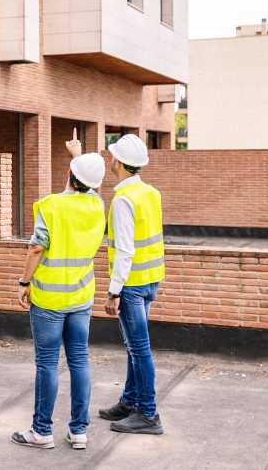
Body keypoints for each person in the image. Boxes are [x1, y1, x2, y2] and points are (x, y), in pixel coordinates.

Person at [12, 130, 106, 452]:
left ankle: (42, 431)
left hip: (49, 300)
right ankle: (79, 432)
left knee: (48, 364)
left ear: (68, 174)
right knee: (80, 361)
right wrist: (77, 156)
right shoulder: (97, 206)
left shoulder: (50, 206)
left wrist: (24, 283)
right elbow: (87, 185)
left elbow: (37, 249)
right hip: (81, 298)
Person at [99, 133, 166, 435]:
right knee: (134, 346)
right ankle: (130, 401)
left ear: (120, 163)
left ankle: (148, 414)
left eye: (113, 157)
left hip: (132, 285)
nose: (110, 160)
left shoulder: (123, 201)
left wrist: (114, 291)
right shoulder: (151, 193)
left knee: (139, 349)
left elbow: (125, 250)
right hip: (151, 280)